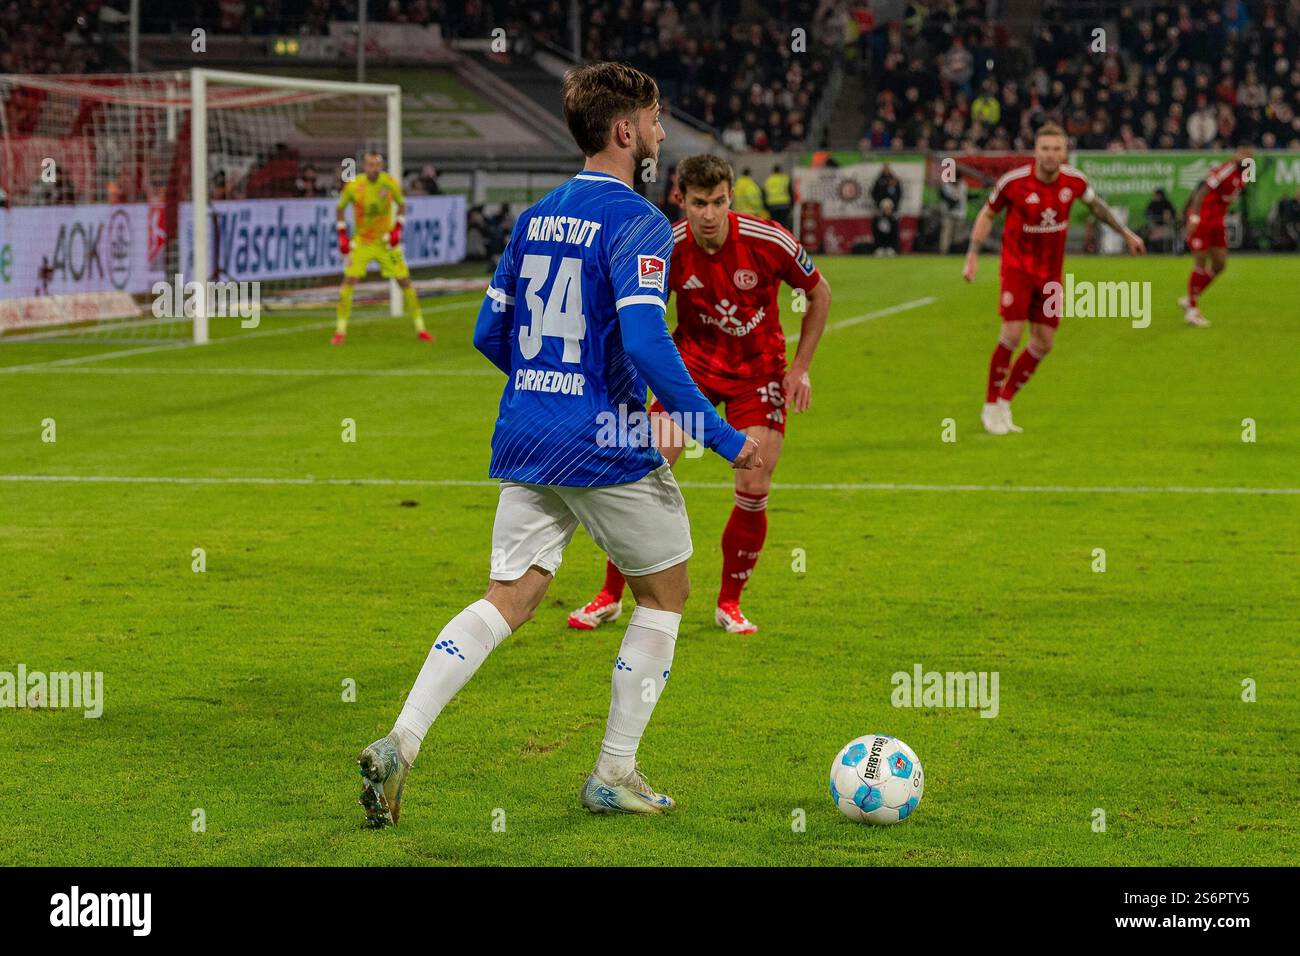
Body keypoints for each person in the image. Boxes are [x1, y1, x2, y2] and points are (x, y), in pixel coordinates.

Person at [356, 63, 759, 826]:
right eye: (654, 118)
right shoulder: (638, 220)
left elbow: (486, 333)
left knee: (510, 595)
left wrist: (548, 380)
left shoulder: (535, 215)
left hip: (527, 430)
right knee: (665, 592)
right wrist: (720, 434)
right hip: (600, 437)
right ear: (624, 131)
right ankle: (613, 772)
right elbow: (644, 340)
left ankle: (401, 741)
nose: (662, 131)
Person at [568, 153, 831, 636]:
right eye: (698, 203)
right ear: (680, 200)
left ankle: (728, 603)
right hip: (689, 374)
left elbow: (820, 293)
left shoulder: (769, 240)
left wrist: (801, 369)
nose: (708, 215)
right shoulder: (666, 245)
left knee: (753, 486)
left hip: (759, 375)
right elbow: (639, 314)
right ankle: (610, 595)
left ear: (730, 197)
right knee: (643, 476)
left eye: (717, 202)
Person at [963, 122, 1146, 436]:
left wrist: (1125, 233)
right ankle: (990, 405)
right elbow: (988, 213)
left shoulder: (1074, 182)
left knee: (1044, 342)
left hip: (1050, 275)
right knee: (1011, 334)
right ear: (1036, 151)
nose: (1050, 155)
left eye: (1056, 149)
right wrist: (972, 254)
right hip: (1018, 269)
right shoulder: (1013, 182)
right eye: (1045, 148)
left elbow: (1096, 206)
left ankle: (1006, 400)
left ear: (1065, 153)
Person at [333, 151, 430, 345]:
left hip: (385, 244)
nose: (374, 168)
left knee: (404, 281)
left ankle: (421, 328)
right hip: (362, 243)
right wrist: (342, 234)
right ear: (364, 166)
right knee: (348, 281)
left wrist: (398, 229)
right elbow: (340, 208)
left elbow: (402, 205)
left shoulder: (390, 183)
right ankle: (340, 330)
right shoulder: (354, 186)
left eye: (377, 165)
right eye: (370, 164)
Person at [1179, 142, 1253, 327]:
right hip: (1203, 219)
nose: (1244, 156)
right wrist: (1194, 217)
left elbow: (1242, 186)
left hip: (1218, 222)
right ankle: (1192, 311)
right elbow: (1201, 191)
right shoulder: (1226, 169)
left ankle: (1190, 298)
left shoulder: (1245, 173)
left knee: (1220, 265)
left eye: (1248, 154)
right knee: (1200, 262)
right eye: (1242, 153)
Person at [763, 163, 793, 230]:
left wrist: (765, 205)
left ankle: (775, 239)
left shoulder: (768, 180)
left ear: (773, 171)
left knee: (774, 225)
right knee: (784, 224)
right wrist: (792, 203)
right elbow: (790, 191)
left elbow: (765, 193)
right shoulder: (785, 179)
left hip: (772, 205)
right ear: (780, 171)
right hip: (784, 205)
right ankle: (783, 238)